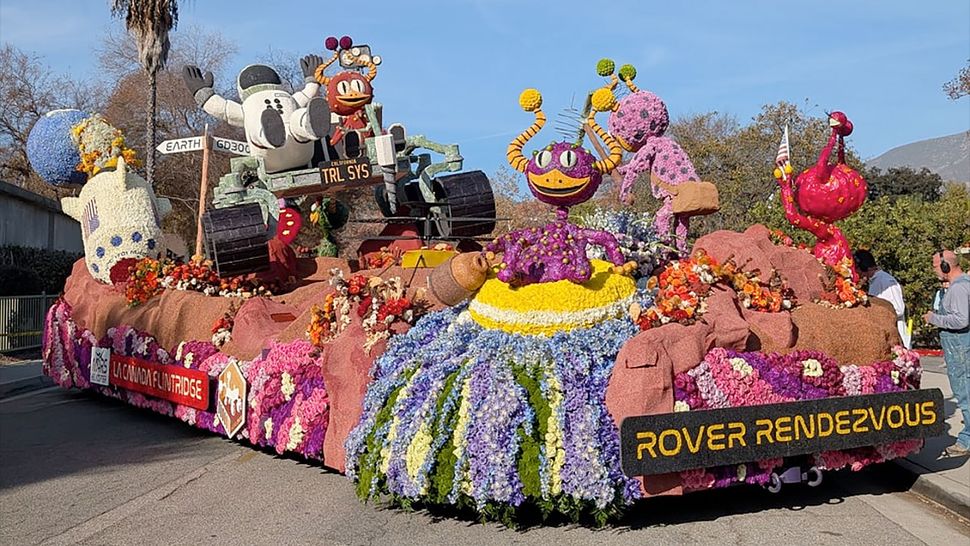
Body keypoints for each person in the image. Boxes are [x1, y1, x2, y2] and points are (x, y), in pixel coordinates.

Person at [923, 250, 970, 456]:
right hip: (961, 346)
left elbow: (960, 320)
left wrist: (934, 318)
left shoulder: (958, 289)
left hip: (959, 348)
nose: (934, 270)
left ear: (945, 266)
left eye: (935, 266)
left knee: (965, 394)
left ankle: (967, 441)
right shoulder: (963, 284)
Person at [854, 250, 910, 349]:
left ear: (864, 267)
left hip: (896, 338)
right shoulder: (874, 281)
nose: (858, 274)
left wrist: (878, 313)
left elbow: (899, 309)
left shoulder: (886, 281)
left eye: (857, 269)